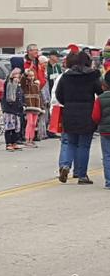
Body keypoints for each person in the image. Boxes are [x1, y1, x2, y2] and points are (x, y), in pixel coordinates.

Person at [55, 51, 103, 184]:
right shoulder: (92, 76)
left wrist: (68, 102)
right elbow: (100, 91)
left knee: (70, 142)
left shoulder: (66, 76)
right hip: (87, 112)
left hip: (70, 112)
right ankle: (82, 175)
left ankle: (65, 165)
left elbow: (59, 95)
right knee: (84, 145)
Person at [92, 71, 110, 190]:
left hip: (105, 131)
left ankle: (109, 181)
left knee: (107, 156)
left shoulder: (100, 98)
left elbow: (95, 116)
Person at [1, 68, 24, 151]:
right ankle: (8, 143)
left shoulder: (18, 85)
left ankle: (14, 142)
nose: (18, 77)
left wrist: (23, 104)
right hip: (9, 109)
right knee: (9, 127)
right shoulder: (9, 83)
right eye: (17, 74)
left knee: (16, 128)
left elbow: (21, 95)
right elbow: (9, 96)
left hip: (17, 109)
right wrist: (12, 79)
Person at [22, 68, 44, 148]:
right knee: (30, 122)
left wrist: (41, 106)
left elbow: (39, 96)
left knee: (34, 124)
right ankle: (27, 139)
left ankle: (31, 139)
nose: (31, 77)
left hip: (36, 106)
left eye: (32, 76)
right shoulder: (26, 84)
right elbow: (23, 81)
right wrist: (25, 75)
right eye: (30, 76)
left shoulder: (36, 85)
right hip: (29, 106)